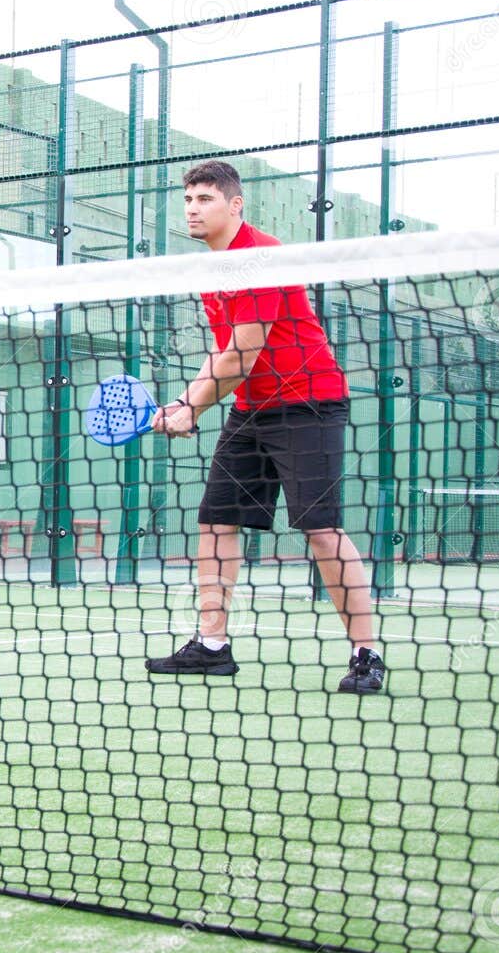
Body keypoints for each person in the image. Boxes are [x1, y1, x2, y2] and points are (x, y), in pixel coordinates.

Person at [145, 159, 383, 694]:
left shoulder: (257, 257)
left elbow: (243, 354)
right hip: (251, 409)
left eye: (205, 199)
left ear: (235, 205)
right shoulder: (212, 268)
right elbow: (224, 352)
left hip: (309, 403)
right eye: (187, 200)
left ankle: (365, 654)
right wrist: (186, 403)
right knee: (216, 521)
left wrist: (190, 407)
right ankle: (211, 646)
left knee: (320, 530)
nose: (192, 209)